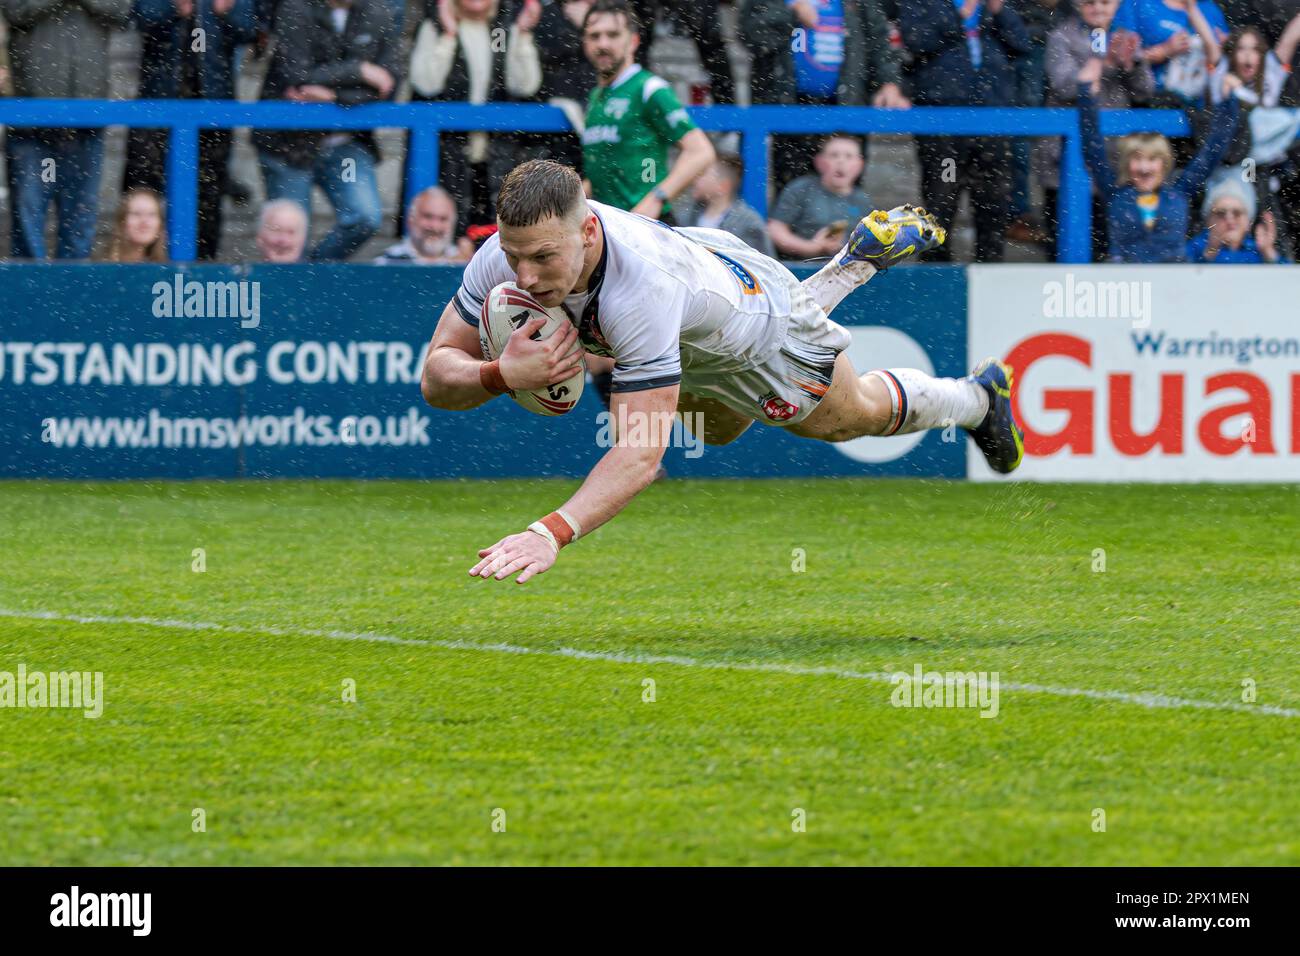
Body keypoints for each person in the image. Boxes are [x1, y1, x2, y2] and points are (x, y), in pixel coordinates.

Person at [419, 160, 1024, 584]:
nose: (522, 276)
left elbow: (640, 456)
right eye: (515, 255)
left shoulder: (641, 293)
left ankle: (975, 397)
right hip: (704, 293)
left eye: (544, 257)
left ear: (588, 229)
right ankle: (842, 270)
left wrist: (548, 532)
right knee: (717, 431)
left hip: (762, 336)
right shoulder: (506, 253)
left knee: (851, 416)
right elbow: (435, 376)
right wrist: (498, 374)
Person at [254, 0, 402, 261]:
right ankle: (297, 282)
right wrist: (360, 71)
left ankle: (312, 275)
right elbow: (296, 76)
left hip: (345, 143)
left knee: (365, 217)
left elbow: (390, 85)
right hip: (288, 144)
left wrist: (334, 95)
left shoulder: (379, 12)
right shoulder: (294, 7)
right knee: (289, 235)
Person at [898, 0, 1032, 262]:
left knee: (993, 209)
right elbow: (917, 42)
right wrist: (961, 14)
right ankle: (935, 279)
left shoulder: (993, 6)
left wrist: (999, 11)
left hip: (990, 129)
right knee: (941, 203)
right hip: (945, 133)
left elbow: (1021, 44)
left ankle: (990, 277)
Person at [126, 0, 258, 261]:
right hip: (159, 108)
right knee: (146, 196)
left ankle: (202, 271)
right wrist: (174, 7)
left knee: (208, 203)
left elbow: (250, 30)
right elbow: (140, 18)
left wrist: (226, 11)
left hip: (212, 112)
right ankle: (144, 268)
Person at [1, 0, 132, 260]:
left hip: (86, 116)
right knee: (28, 216)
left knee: (80, 220)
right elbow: (15, 10)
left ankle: (74, 292)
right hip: (32, 116)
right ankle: (30, 292)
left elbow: (121, 11)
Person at [739, 0, 909, 189]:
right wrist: (791, 14)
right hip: (791, 109)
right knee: (793, 189)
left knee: (846, 191)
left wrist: (889, 82)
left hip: (845, 107)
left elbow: (878, 39)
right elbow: (751, 33)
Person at [1079, 63, 1241, 260]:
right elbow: (1092, 147)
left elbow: (1212, 152)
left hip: (1173, 286)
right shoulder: (1115, 194)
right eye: (1137, 159)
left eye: (1152, 159)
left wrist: (1228, 102)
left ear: (1164, 163)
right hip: (1127, 286)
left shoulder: (1179, 192)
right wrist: (1087, 95)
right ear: (1127, 164)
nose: (1144, 167)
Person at [409, 0, 543, 229]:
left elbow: (524, 85)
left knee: (494, 233)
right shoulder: (435, 26)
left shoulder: (501, 29)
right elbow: (426, 84)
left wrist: (521, 34)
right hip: (447, 153)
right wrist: (449, 34)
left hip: (496, 157)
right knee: (447, 230)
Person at [1037, 0, 1156, 259]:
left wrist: (1132, 65)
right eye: (1090, 2)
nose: (1098, 8)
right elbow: (1065, 86)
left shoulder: (1125, 37)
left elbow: (1145, 90)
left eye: (1105, 2)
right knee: (1063, 247)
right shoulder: (1061, 37)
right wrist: (1104, 61)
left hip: (1113, 161)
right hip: (1065, 161)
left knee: (1107, 247)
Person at [580, 0, 716, 223]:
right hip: (613, 230)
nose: (602, 43)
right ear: (584, 42)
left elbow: (701, 152)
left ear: (633, 41)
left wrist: (657, 199)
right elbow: (605, 170)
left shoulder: (649, 89)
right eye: (595, 36)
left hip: (649, 228)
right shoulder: (595, 97)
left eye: (613, 35)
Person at [768, 134, 872, 261]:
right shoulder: (801, 188)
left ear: (860, 165)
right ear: (820, 162)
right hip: (801, 268)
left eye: (849, 156)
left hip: (847, 272)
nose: (841, 161)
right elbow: (775, 229)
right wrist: (811, 248)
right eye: (834, 155)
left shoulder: (862, 200)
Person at [1111, 0, 1228, 102]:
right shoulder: (1140, 3)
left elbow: (1218, 66)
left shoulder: (1211, 10)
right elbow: (1118, 57)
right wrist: (1163, 51)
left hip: (1197, 109)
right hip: (1148, 102)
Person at [676, 155, 776, 257]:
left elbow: (766, 266)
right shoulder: (687, 215)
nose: (695, 179)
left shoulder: (748, 223)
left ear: (723, 186)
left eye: (702, 174)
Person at [1187, 172, 1289, 258]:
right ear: (1208, 219)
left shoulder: (1258, 250)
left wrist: (1269, 253)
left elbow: (1291, 279)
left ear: (1249, 221)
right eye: (1221, 213)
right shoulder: (1193, 249)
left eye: (1237, 213)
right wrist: (1209, 254)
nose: (1229, 219)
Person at [374, 187, 475, 264]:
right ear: (410, 219)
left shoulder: (467, 261)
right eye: (428, 216)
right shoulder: (387, 261)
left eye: (443, 219)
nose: (435, 227)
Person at [101, 188, 169, 263]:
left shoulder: (171, 271)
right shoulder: (100, 267)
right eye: (136, 213)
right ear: (122, 222)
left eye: (151, 214)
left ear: (160, 225)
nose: (144, 221)